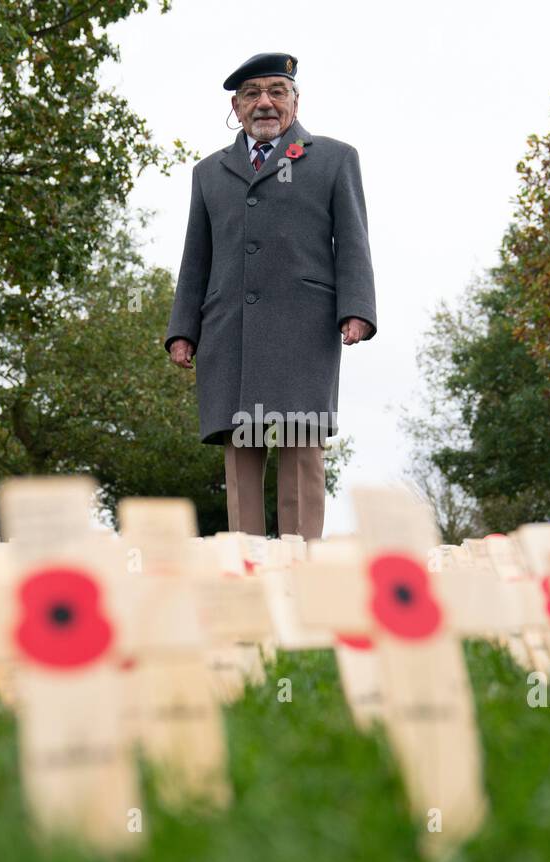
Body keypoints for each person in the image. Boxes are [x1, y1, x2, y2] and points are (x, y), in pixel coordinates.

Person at [165, 52, 377, 540]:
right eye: (252, 95)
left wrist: (357, 308)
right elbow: (195, 255)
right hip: (229, 331)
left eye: (276, 92)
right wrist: (183, 329)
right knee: (241, 456)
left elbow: (353, 240)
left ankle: (304, 571)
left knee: (302, 449)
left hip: (304, 330)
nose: (265, 103)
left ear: (295, 102)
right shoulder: (208, 172)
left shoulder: (334, 158)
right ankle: (246, 571)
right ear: (236, 109)